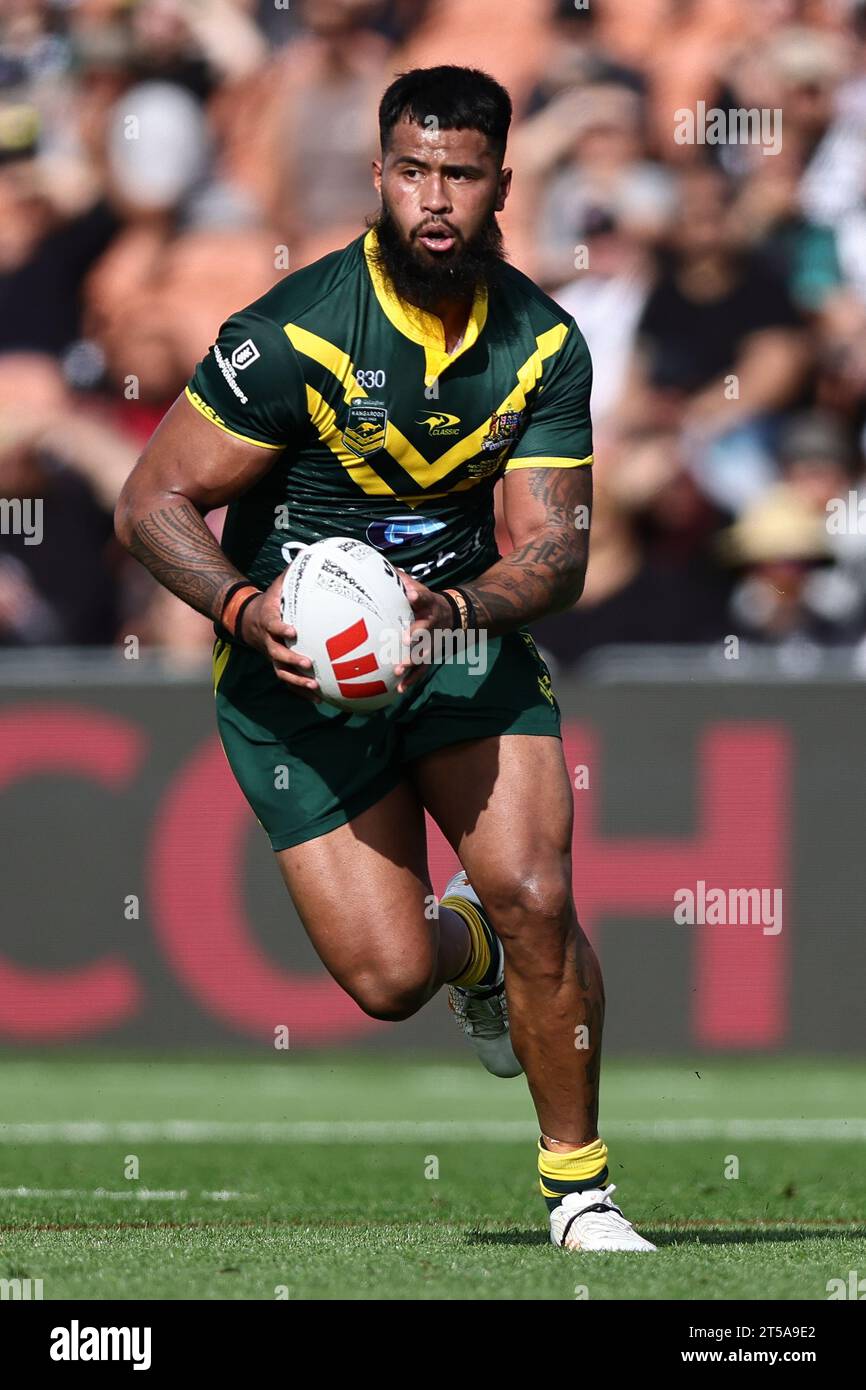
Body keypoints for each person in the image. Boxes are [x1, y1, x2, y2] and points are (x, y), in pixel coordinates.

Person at [114, 65, 654, 1253]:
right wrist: (250, 610)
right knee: (389, 975)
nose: (434, 198)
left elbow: (554, 555)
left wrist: (449, 606)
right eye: (411, 171)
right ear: (378, 176)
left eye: (459, 174)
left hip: (457, 646)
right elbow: (150, 502)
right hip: (291, 678)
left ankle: (580, 1191)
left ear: (501, 185)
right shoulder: (294, 332)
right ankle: (464, 959)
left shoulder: (542, 342)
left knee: (536, 898)